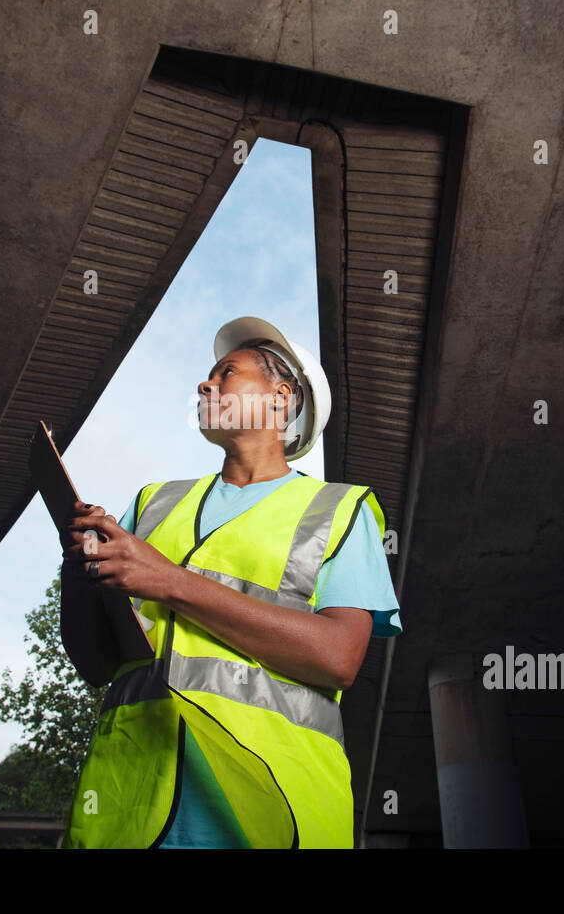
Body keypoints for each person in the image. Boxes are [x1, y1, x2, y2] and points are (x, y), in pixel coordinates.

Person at [57, 316, 401, 848]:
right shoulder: (153, 502)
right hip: (131, 809)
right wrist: (76, 568)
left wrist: (171, 582)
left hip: (272, 813)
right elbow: (97, 663)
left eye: (226, 372)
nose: (204, 384)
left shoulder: (338, 510)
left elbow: (339, 657)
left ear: (280, 396)